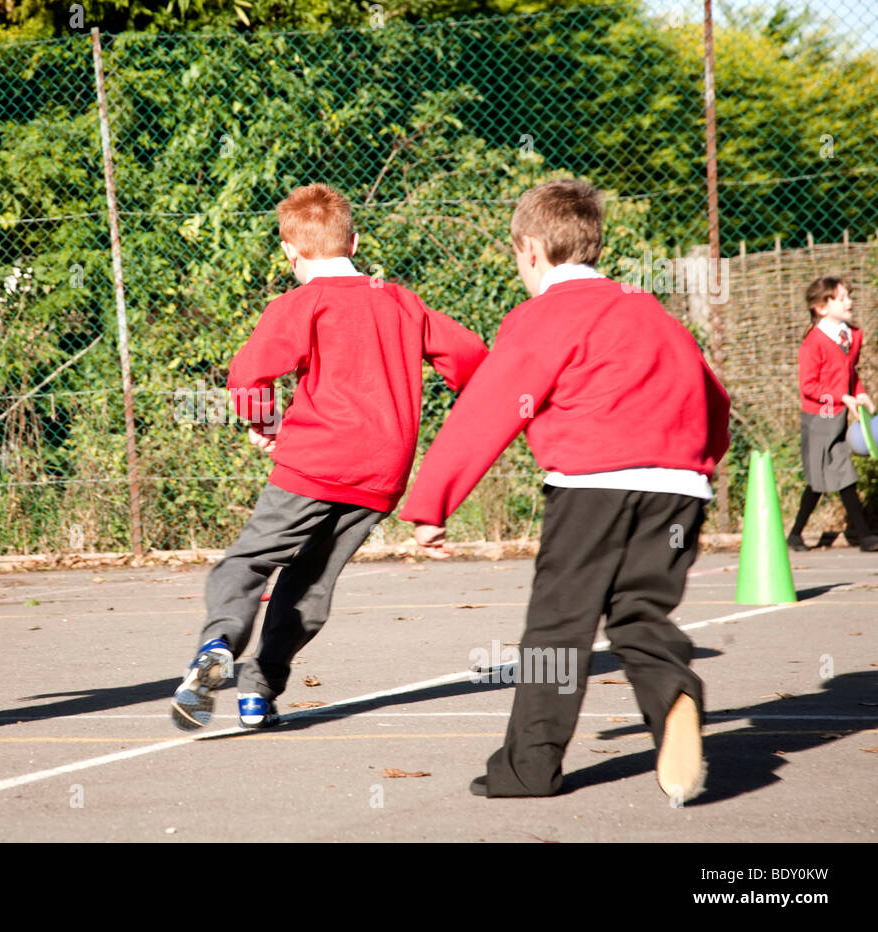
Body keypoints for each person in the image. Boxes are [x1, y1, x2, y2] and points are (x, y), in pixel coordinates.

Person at [401, 179, 730, 803]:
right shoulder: (649, 310)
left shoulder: (540, 316)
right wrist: (701, 465)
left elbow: (489, 410)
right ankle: (674, 694)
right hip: (677, 488)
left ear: (529, 250)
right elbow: (713, 393)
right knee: (640, 614)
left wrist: (432, 503)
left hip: (591, 487)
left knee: (558, 629)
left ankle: (528, 768)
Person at [170, 183, 488, 732]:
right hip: (380, 477)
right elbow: (470, 358)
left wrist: (263, 423)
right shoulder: (400, 300)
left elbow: (248, 376)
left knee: (247, 563)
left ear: (291, 253)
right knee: (311, 585)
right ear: (355, 241)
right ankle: (259, 693)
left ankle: (217, 647)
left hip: (313, 464)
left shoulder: (300, 302)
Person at [787, 276, 877, 551]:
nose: (848, 302)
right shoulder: (813, 343)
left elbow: (851, 374)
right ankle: (795, 534)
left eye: (848, 296)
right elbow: (809, 386)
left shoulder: (854, 335)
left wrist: (859, 393)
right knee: (818, 480)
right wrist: (842, 397)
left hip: (839, 414)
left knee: (842, 473)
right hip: (818, 418)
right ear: (820, 307)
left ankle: (863, 536)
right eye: (840, 298)